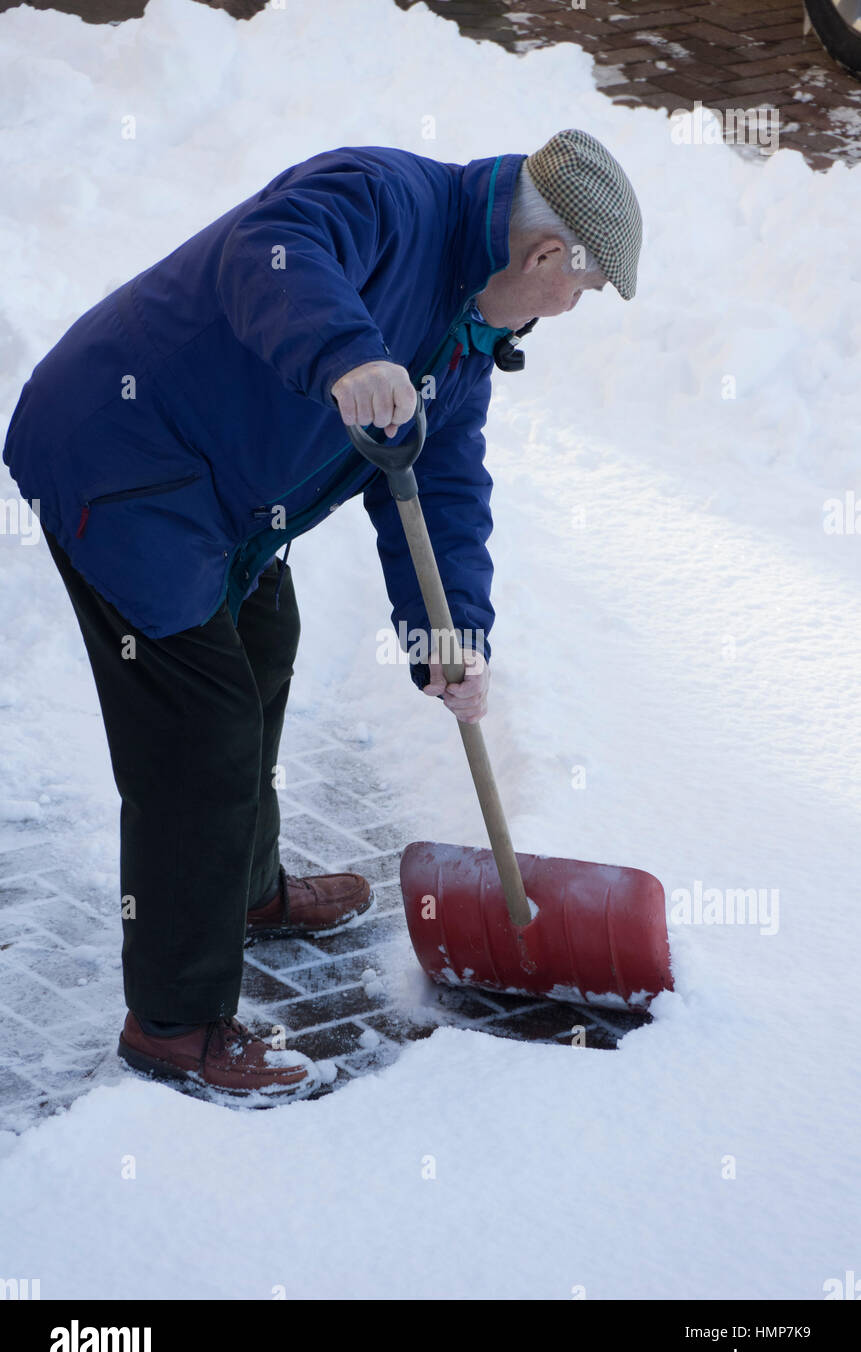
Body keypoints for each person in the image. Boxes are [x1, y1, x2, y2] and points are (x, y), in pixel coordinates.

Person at [2, 129, 642, 1103]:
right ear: (547, 255)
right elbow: (274, 251)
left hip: (216, 498)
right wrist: (346, 353)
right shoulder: (385, 194)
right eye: (581, 291)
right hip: (118, 460)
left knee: (264, 639)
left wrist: (449, 637)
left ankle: (245, 889)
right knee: (201, 732)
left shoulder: (468, 334)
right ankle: (174, 1024)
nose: (569, 307)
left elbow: (445, 483)